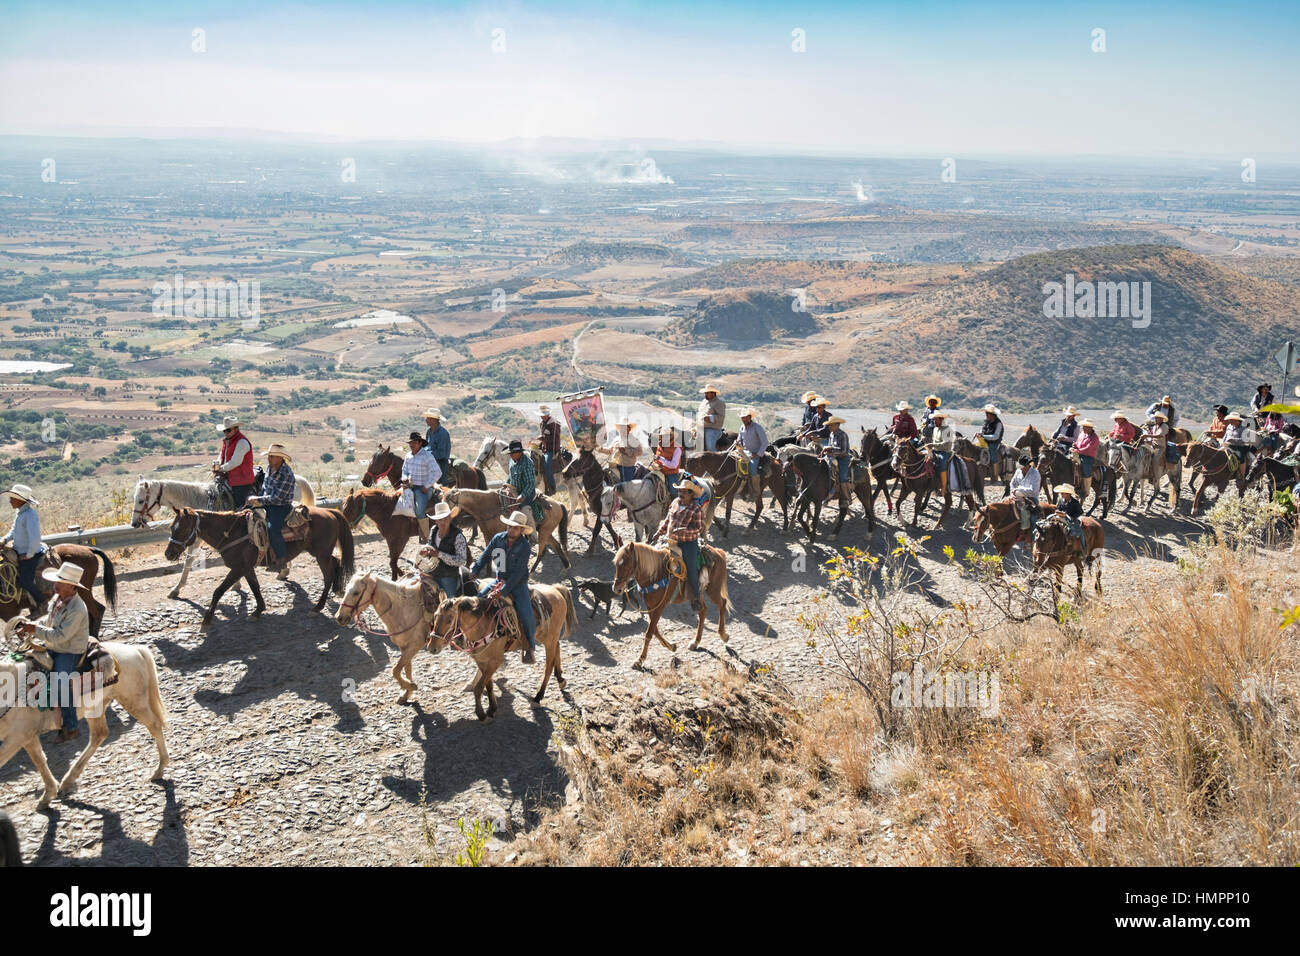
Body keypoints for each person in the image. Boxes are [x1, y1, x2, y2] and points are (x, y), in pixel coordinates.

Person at [15, 562, 91, 743]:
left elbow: (60, 636)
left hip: (69, 650)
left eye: (60, 581)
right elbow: (48, 620)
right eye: (57, 580)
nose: (55, 584)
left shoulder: (77, 609)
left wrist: (34, 629)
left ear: (71, 586)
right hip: (54, 645)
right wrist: (29, 625)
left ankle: (71, 727)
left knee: (60, 681)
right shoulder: (57, 599)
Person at [471, 510, 537, 664]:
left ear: (521, 530)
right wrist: (475, 569)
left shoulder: (525, 546)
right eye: (509, 527)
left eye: (515, 528)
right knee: (478, 602)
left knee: (527, 615)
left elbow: (518, 573)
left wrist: (502, 591)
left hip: (517, 584)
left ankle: (529, 647)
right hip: (499, 580)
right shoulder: (497, 539)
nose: (511, 530)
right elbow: (485, 555)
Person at [653, 476, 707, 613]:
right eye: (680, 491)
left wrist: (685, 530)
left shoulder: (696, 509)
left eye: (684, 492)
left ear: (691, 494)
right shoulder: (675, 502)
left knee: (690, 567)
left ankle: (695, 597)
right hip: (669, 539)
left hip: (687, 543)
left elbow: (700, 528)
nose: (681, 494)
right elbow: (667, 519)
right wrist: (659, 532)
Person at [247, 444, 295, 572]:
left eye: (272, 456)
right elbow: (264, 488)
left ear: (280, 458)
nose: (269, 458)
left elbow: (278, 498)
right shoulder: (270, 468)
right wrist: (258, 500)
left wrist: (259, 500)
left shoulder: (286, 473)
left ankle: (281, 560)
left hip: (281, 506)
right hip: (268, 503)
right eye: (269, 456)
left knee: (273, 529)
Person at [1, 483, 46, 611]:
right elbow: (13, 531)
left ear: (19, 500)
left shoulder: (30, 515)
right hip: (18, 550)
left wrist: (29, 555)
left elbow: (35, 538)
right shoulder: (19, 513)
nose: (10, 501)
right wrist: (4, 539)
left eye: (12, 498)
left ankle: (42, 603)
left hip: (30, 553)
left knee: (25, 581)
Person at [418, 500, 469, 600]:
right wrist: (423, 555)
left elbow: (462, 560)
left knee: (449, 603)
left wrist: (439, 554)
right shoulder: (433, 530)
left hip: (448, 574)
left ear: (450, 519)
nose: (443, 522)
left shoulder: (458, 536)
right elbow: (429, 547)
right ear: (436, 521)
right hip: (432, 571)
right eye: (440, 519)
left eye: (445, 519)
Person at [401, 432, 442, 540]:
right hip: (409, 486)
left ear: (420, 443)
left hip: (423, 488)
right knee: (396, 503)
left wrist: (427, 486)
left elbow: (437, 472)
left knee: (419, 511)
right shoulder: (408, 456)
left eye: (414, 442)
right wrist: (404, 478)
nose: (411, 445)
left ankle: (427, 536)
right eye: (410, 442)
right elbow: (404, 470)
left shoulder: (427, 456)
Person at [212, 417, 255, 509]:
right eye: (224, 431)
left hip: (241, 480)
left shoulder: (242, 442)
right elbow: (222, 455)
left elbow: (235, 462)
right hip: (231, 478)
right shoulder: (228, 441)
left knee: (240, 507)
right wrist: (218, 464)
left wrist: (220, 468)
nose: (226, 433)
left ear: (236, 429)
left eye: (228, 430)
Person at [504, 439, 541, 526]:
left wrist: (523, 495)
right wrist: (506, 483)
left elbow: (530, 483)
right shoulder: (512, 461)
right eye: (510, 453)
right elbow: (511, 475)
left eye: (512, 453)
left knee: (524, 510)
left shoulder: (527, 463)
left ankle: (533, 537)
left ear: (519, 452)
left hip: (527, 492)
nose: (510, 455)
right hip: (514, 490)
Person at [737, 407, 769, 499]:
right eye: (742, 418)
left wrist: (758, 454)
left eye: (746, 417)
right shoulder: (742, 427)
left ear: (750, 417)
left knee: (752, 469)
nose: (744, 419)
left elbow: (765, 442)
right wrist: (737, 443)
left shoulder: (757, 427)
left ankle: (756, 492)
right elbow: (739, 439)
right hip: (744, 452)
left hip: (755, 452)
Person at [821, 415, 853, 502]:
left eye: (831, 425)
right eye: (829, 425)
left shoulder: (843, 435)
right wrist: (828, 451)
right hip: (831, 457)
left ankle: (847, 497)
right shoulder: (831, 434)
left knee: (843, 478)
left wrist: (831, 450)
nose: (829, 427)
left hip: (843, 458)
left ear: (837, 425)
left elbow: (844, 451)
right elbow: (830, 446)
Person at [1008, 455, 1042, 532]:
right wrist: (1013, 491)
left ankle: (1030, 533)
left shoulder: (1035, 474)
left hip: (1031, 498)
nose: (1020, 468)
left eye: (1022, 466)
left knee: (1032, 519)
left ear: (1027, 465)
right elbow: (1012, 483)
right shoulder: (1018, 471)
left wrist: (1017, 490)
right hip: (1016, 494)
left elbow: (1032, 490)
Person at [535, 405, 562, 495]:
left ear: (547, 415)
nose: (541, 417)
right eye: (541, 415)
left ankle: (552, 486)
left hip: (552, 449)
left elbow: (555, 439)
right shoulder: (542, 423)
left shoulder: (554, 424)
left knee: (546, 465)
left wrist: (543, 438)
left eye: (543, 415)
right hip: (544, 448)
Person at [926, 410, 955, 493]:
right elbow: (935, 441)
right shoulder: (935, 429)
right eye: (934, 419)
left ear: (941, 419)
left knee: (942, 464)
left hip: (944, 452)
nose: (934, 421)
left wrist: (933, 445)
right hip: (935, 450)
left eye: (936, 419)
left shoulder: (947, 429)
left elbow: (946, 444)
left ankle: (944, 487)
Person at [424, 408, 453, 487]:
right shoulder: (429, 431)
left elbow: (441, 453)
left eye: (427, 418)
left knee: (441, 480)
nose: (425, 420)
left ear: (433, 420)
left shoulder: (443, 433)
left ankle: (443, 488)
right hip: (429, 458)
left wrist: (427, 455)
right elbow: (427, 446)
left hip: (440, 461)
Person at [1072, 419, 1100, 500]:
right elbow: (1077, 442)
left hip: (1088, 456)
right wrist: (1075, 445)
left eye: (1085, 427)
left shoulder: (1095, 438)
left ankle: (1086, 490)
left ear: (1090, 428)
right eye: (1083, 427)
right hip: (1078, 453)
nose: (1083, 428)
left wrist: (1077, 450)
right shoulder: (1082, 434)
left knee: (1086, 469)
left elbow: (1088, 448)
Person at [1053, 483, 1084, 554]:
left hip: (1071, 519)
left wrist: (1072, 517)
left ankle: (1081, 548)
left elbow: (1080, 512)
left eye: (1063, 493)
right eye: (1061, 493)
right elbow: (1058, 508)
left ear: (1068, 494)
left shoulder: (1075, 502)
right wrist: (1058, 512)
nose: (1061, 494)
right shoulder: (1061, 500)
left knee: (1078, 532)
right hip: (1060, 517)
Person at [697, 384, 726, 452]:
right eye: (705, 393)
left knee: (710, 446)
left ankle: (714, 458)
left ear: (713, 393)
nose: (705, 394)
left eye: (707, 393)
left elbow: (721, 417)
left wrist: (710, 418)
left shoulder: (719, 403)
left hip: (712, 429)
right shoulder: (704, 402)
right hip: (701, 427)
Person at [654, 428, 682, 495]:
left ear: (670, 436)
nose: (664, 438)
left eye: (666, 436)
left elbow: (674, 465)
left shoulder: (677, 448)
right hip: (659, 472)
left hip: (671, 473)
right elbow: (657, 459)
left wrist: (660, 459)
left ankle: (676, 502)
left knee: (674, 491)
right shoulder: (659, 446)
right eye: (662, 436)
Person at [980, 404, 1005, 478]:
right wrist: (980, 434)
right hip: (984, 441)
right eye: (986, 413)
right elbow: (982, 430)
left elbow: (996, 436)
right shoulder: (986, 422)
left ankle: (995, 474)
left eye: (987, 413)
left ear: (992, 414)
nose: (986, 415)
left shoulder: (998, 424)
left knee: (993, 453)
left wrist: (984, 436)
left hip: (994, 443)